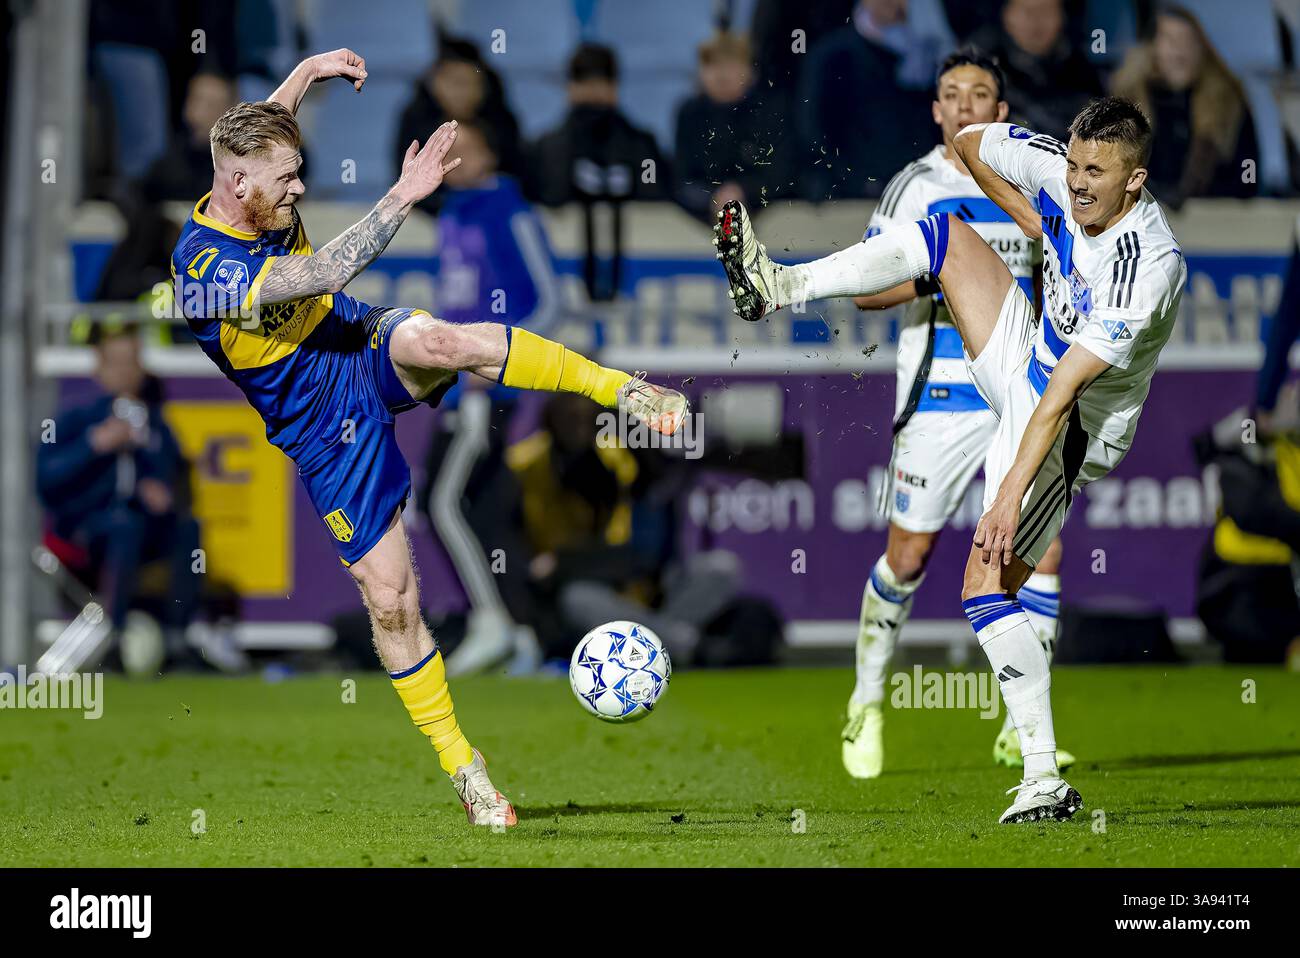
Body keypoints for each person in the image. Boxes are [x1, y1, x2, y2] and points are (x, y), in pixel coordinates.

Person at [170, 48, 688, 828]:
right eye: (288, 181)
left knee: (444, 341)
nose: (300, 189)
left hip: (353, 343)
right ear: (238, 186)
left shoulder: (251, 167)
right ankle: (465, 770)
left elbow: (264, 132)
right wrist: (404, 194)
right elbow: (319, 275)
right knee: (390, 602)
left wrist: (307, 71)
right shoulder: (203, 270)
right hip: (320, 428)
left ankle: (622, 388)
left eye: (299, 173)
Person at [716, 95, 1186, 823]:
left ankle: (1041, 777)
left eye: (1097, 173)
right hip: (1029, 359)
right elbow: (968, 142)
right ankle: (780, 284)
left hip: (1074, 427)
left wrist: (1005, 499)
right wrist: (1033, 218)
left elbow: (1061, 395)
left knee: (983, 585)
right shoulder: (1060, 177)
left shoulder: (1148, 266)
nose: (1077, 183)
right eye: (1073, 165)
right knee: (948, 237)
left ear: (1136, 180)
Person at [840, 49, 1072, 780]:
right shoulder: (915, 186)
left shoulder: (1028, 181)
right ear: (936, 110)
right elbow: (865, 289)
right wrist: (947, 267)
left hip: (1018, 395)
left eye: (979, 94)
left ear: (1000, 114)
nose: (965, 104)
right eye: (951, 93)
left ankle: (1021, 731)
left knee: (1039, 554)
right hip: (938, 395)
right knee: (908, 558)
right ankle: (866, 701)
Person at [414, 119, 559, 677]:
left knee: (442, 502)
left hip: (484, 390)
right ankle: (521, 634)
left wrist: (493, 357)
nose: (456, 161)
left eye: (467, 150)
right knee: (487, 513)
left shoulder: (509, 212)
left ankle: (490, 622)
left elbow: (551, 301)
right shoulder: (452, 215)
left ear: (492, 155)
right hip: (456, 388)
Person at [35, 324, 201, 668]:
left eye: (133, 362)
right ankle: (114, 639)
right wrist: (93, 445)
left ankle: (178, 638)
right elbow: (46, 479)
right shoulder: (77, 418)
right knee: (124, 526)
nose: (126, 372)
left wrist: (159, 490)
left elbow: (176, 478)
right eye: (117, 363)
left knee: (187, 530)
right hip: (86, 530)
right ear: (100, 368)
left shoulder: (155, 424)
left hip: (140, 528)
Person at [799, 0, 953, 199]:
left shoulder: (933, 53)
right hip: (856, 199)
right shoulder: (833, 56)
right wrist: (855, 182)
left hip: (923, 193)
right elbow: (813, 132)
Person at [1110, 4, 1258, 208]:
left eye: (1189, 41)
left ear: (1202, 49)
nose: (1180, 49)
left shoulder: (1228, 104)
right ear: (1153, 47)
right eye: (1171, 40)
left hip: (1212, 218)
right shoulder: (1126, 101)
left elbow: (1248, 180)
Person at [393, 33, 523, 216]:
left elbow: (514, 175)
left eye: (472, 83)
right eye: (455, 83)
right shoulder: (415, 121)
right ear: (435, 83)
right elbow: (404, 183)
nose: (464, 93)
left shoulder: (501, 120)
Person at [673, 31, 793, 223]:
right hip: (699, 219)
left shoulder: (770, 113)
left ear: (751, 71)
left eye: (731, 65)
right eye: (712, 65)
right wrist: (714, 198)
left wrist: (743, 192)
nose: (721, 75)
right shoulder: (689, 114)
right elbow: (682, 179)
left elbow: (782, 176)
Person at [969, 0, 1104, 142]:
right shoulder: (979, 66)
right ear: (1005, 14)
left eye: (1047, 11)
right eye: (1026, 11)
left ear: (1064, 16)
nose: (1036, 21)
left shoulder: (1084, 71)